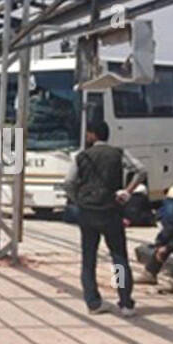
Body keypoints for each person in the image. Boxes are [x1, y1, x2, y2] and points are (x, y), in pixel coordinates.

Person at [64, 119, 146, 317]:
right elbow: (141, 170)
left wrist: (78, 200)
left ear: (92, 135)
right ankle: (125, 302)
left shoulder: (81, 156)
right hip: (111, 211)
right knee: (118, 258)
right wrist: (127, 191)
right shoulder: (118, 153)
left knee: (89, 259)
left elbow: (68, 182)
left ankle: (93, 302)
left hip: (88, 213)